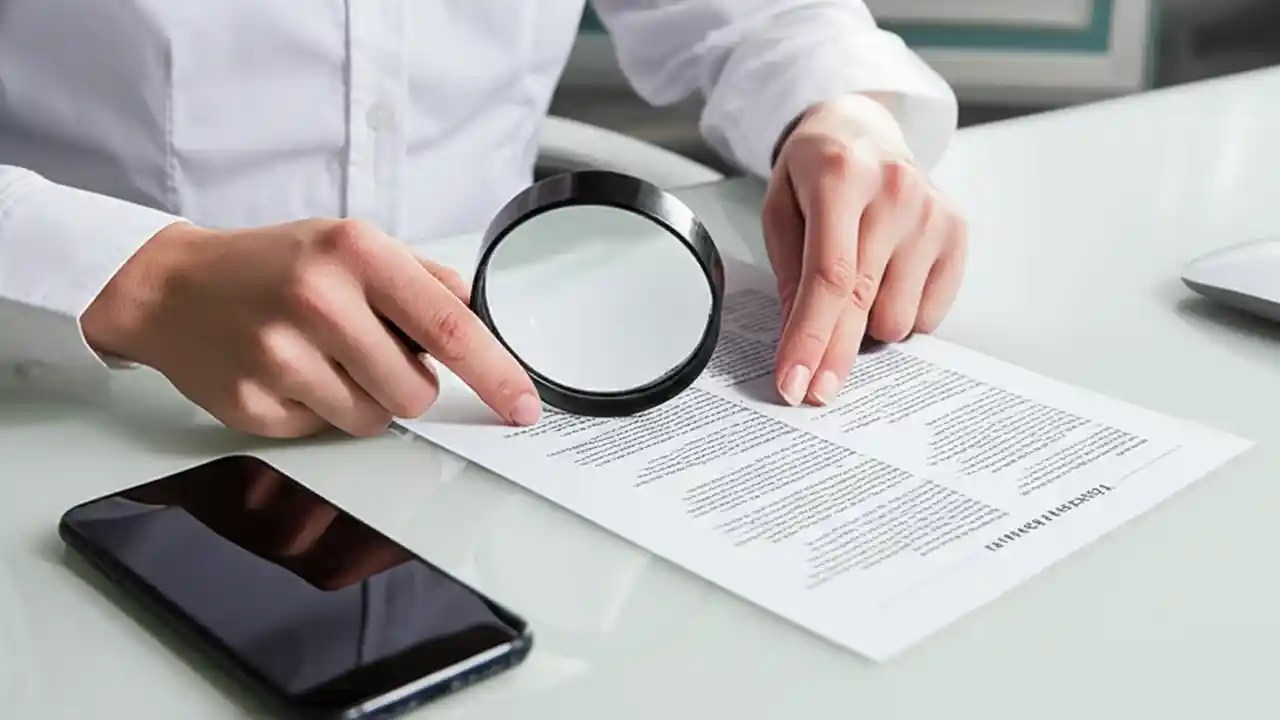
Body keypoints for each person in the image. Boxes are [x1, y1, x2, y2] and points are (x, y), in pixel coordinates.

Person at [0, 0, 966, 438]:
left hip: (488, 399)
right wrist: (141, 277)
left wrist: (840, 109)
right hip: (88, 398)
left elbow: (761, 22)